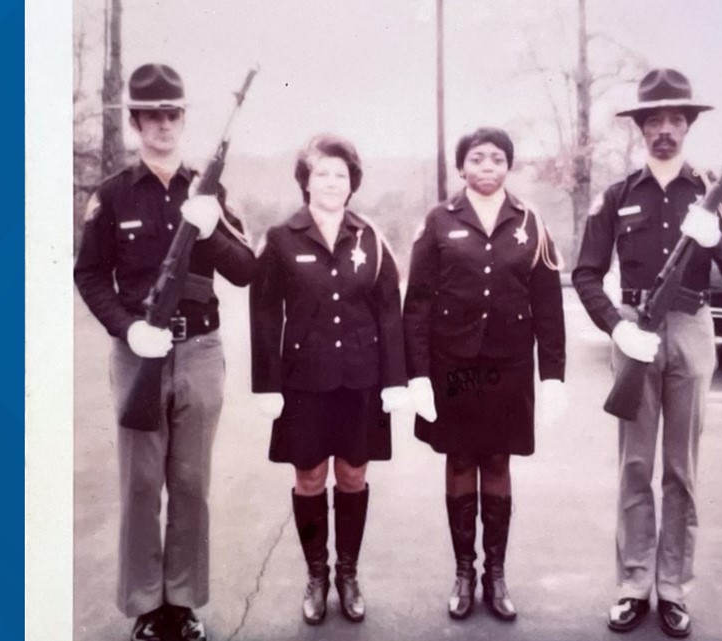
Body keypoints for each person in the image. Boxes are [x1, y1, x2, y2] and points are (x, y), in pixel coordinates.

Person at [572, 68, 722, 638]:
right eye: (654, 120)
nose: (665, 131)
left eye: (676, 120)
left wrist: (716, 237)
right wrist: (616, 328)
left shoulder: (712, 193)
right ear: (641, 129)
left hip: (692, 328)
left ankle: (673, 588)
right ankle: (633, 584)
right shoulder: (616, 196)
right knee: (635, 467)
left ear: (689, 126)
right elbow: (584, 274)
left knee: (682, 471)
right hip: (636, 331)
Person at [74, 64, 256, 641]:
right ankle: (147, 606)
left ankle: (183, 601)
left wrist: (212, 231)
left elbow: (246, 269)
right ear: (135, 123)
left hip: (199, 350)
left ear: (183, 120)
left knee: (191, 482)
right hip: (138, 353)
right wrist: (127, 329)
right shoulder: (112, 196)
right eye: (151, 116)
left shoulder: (209, 189)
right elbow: (90, 275)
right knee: (139, 484)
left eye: (172, 114)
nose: (163, 126)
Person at [403, 127, 567, 622]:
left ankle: (495, 574)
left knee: (497, 461)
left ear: (508, 166)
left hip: (508, 365)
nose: (488, 166)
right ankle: (463, 573)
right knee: (459, 461)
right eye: (477, 158)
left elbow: (548, 303)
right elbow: (418, 305)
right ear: (462, 167)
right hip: (453, 364)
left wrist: (553, 374)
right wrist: (418, 375)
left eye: (498, 158)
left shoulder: (531, 222)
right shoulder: (438, 221)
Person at [249, 134, 410, 625]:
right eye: (322, 173)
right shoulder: (281, 238)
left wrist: (395, 379)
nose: (332, 182)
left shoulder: (371, 238)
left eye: (341, 174)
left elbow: (388, 312)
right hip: (304, 381)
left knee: (354, 475)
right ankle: (316, 575)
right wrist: (266, 384)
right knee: (310, 476)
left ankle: (348, 573)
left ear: (352, 182)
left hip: (361, 379)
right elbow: (263, 313)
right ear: (306, 181)